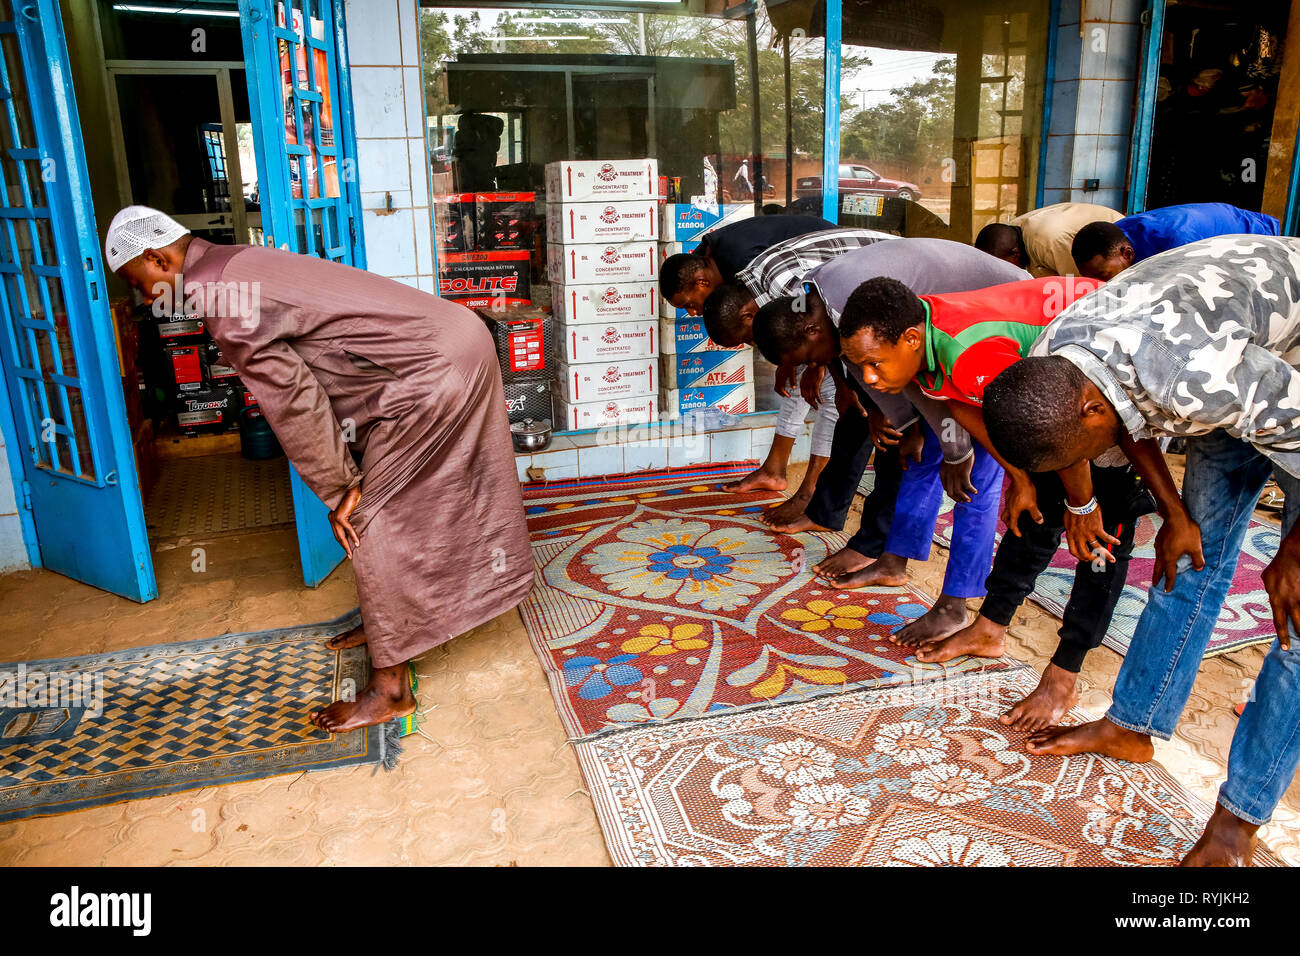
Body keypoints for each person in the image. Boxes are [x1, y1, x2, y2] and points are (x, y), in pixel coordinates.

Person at [103, 205, 535, 732]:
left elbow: (292, 396)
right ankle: (392, 624)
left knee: (371, 516)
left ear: (157, 256)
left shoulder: (214, 289)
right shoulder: (234, 261)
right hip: (454, 341)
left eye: (138, 281)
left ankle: (391, 690)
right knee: (435, 493)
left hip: (429, 373)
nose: (145, 297)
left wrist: (338, 489)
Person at [980, 234, 1300, 866]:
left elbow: (1149, 401)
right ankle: (1133, 726)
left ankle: (1239, 822)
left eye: (1079, 453)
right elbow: (1125, 418)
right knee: (1186, 561)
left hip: (1287, 375)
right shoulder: (1052, 363)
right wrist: (1172, 514)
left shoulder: (1197, 378)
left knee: (1299, 619)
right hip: (1239, 359)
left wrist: (1292, 553)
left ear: (1090, 409)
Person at [834, 273, 1109, 723]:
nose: (868, 377)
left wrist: (1081, 504)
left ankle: (1054, 666)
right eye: (859, 366)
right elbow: (964, 409)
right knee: (1029, 505)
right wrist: (1018, 476)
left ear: (909, 339)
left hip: (1093, 380)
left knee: (1092, 523)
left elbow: (1061, 428)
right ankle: (986, 628)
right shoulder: (920, 346)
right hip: (1047, 386)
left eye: (874, 364)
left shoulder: (967, 353)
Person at [750, 238, 1030, 643]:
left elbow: (926, 389)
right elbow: (894, 381)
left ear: (813, 329)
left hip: (995, 326)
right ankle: (893, 561)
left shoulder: (849, 313)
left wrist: (954, 450)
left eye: (809, 358)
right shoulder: (818, 303)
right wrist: (911, 427)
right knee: (918, 456)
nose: (816, 367)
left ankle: (954, 606)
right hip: (942, 338)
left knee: (975, 477)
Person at [699, 226, 893, 522]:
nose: (753, 344)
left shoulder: (787, 290)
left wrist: (827, 375)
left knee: (837, 400)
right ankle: (777, 472)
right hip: (845, 305)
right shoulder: (757, 288)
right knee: (808, 384)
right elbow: (808, 330)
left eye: (746, 338)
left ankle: (810, 494)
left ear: (748, 316)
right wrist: (793, 365)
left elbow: (819, 325)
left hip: (886, 283)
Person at [657, 214, 835, 315]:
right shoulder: (709, 257)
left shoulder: (745, 262)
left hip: (835, 258)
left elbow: (799, 306)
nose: (692, 313)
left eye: (690, 305)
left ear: (701, 282)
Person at [1071, 201, 1280, 280]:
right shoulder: (1120, 234)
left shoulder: (1177, 245)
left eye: (1102, 275)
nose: (1099, 284)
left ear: (1127, 254)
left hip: (1259, 241)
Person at [974, 202, 1122, 277]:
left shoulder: (1048, 242)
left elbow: (1079, 285)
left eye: (1002, 266)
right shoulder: (1013, 233)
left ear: (1015, 253)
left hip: (1117, 250)